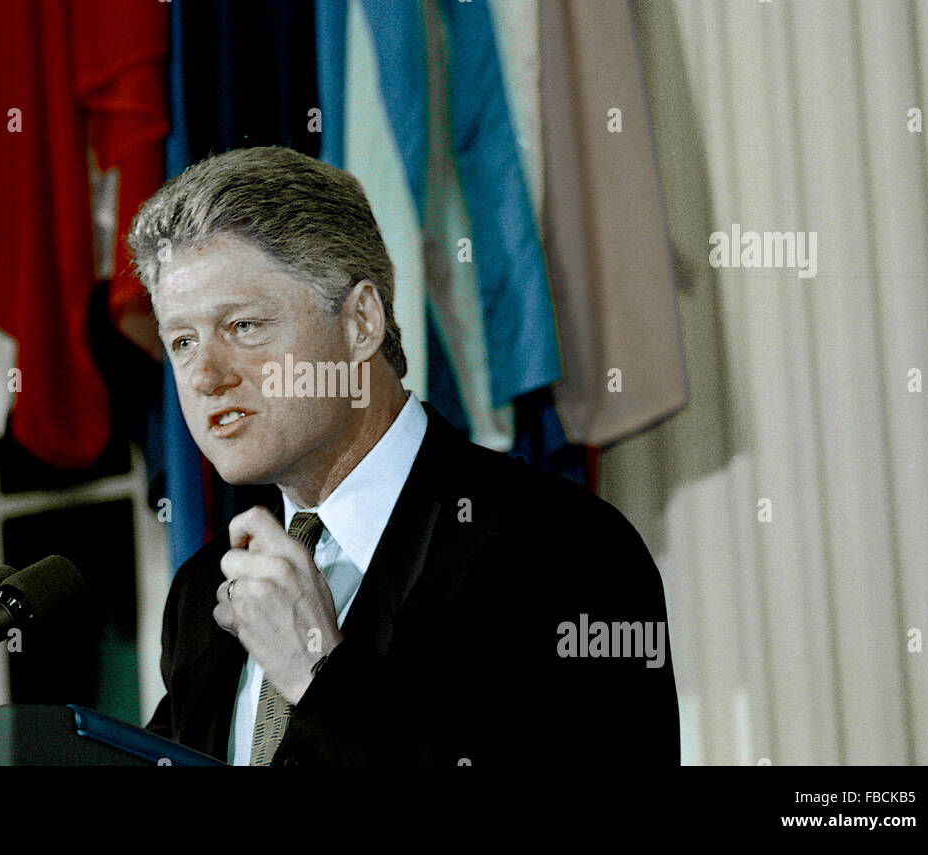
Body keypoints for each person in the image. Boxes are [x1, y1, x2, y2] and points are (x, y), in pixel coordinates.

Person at [130, 146, 679, 765]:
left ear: (360, 322)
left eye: (244, 326)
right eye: (181, 340)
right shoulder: (207, 591)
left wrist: (318, 674)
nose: (204, 375)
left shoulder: (563, 549)